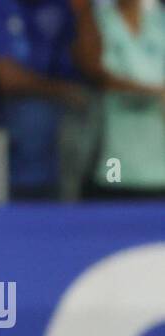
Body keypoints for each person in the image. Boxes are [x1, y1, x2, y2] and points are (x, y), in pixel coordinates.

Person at [0, 0, 87, 200]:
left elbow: (83, 63)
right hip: (1, 166)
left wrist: (85, 11)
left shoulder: (61, 8)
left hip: (54, 165)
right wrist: (61, 90)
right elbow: (5, 77)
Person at [74, 0, 165, 198]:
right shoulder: (97, 20)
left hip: (158, 165)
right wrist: (152, 92)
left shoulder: (159, 21)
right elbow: (95, 73)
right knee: (113, 209)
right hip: (113, 158)